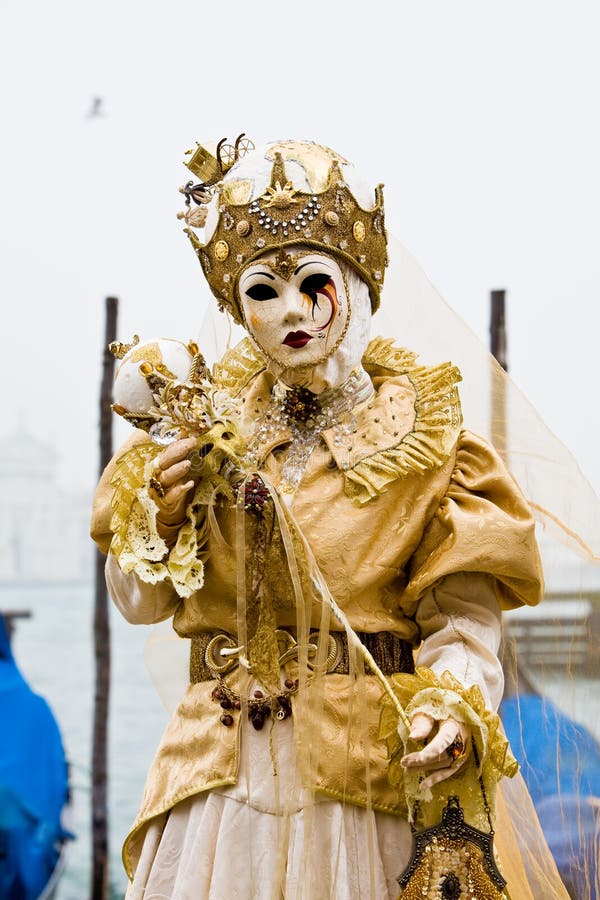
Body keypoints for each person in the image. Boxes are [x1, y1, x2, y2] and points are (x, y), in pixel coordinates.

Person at [91, 139, 564, 899]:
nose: (292, 311)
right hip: (218, 787)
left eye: (314, 283)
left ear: (357, 286)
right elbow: (141, 602)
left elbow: (462, 621)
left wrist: (453, 703)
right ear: (238, 309)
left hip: (365, 782)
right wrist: (161, 517)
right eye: (262, 291)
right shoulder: (203, 435)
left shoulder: (431, 445)